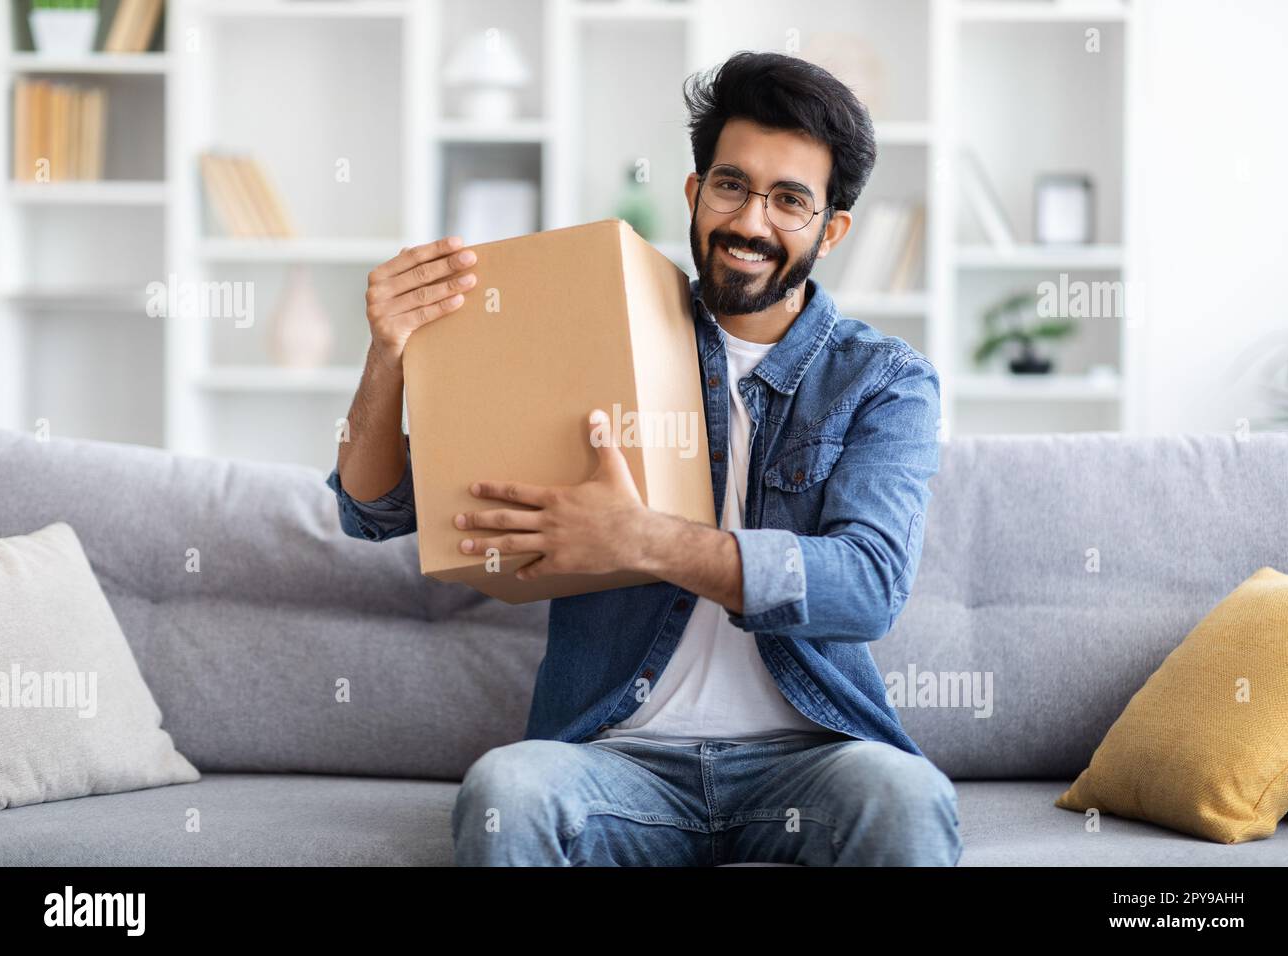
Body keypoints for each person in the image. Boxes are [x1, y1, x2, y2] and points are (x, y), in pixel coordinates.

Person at [327, 51, 960, 867]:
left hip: (810, 761)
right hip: (614, 760)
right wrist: (389, 354)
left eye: (790, 200)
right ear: (695, 194)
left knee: (907, 799)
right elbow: (374, 509)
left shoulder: (884, 381)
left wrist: (641, 540)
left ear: (831, 230)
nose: (751, 223)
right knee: (505, 793)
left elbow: (867, 585)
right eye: (731, 185)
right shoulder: (602, 323)